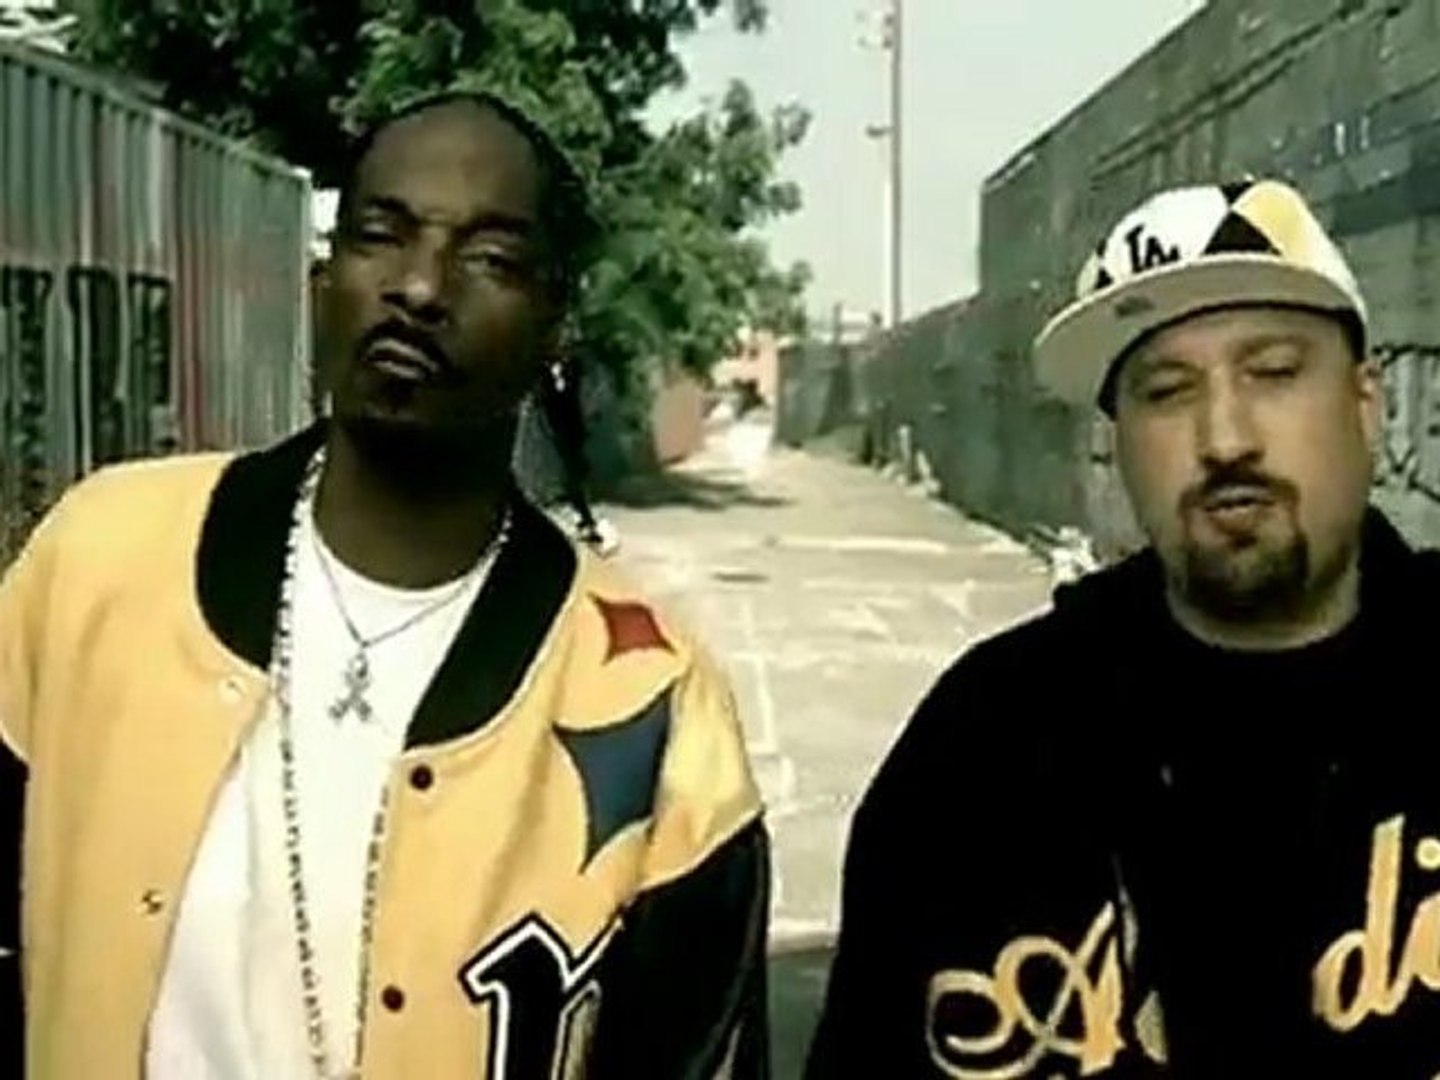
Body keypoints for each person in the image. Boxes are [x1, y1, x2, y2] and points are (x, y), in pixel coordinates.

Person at [0, 91, 769, 1078]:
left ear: (557, 329)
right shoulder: (101, 561)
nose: (419, 286)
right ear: (323, 282)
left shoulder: (649, 699)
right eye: (381, 234)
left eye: (489, 258)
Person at [806, 178, 1440, 1077]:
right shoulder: (983, 749)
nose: (1225, 437)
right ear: (1119, 447)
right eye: (1168, 391)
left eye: (1272, 372)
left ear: (1367, 407)